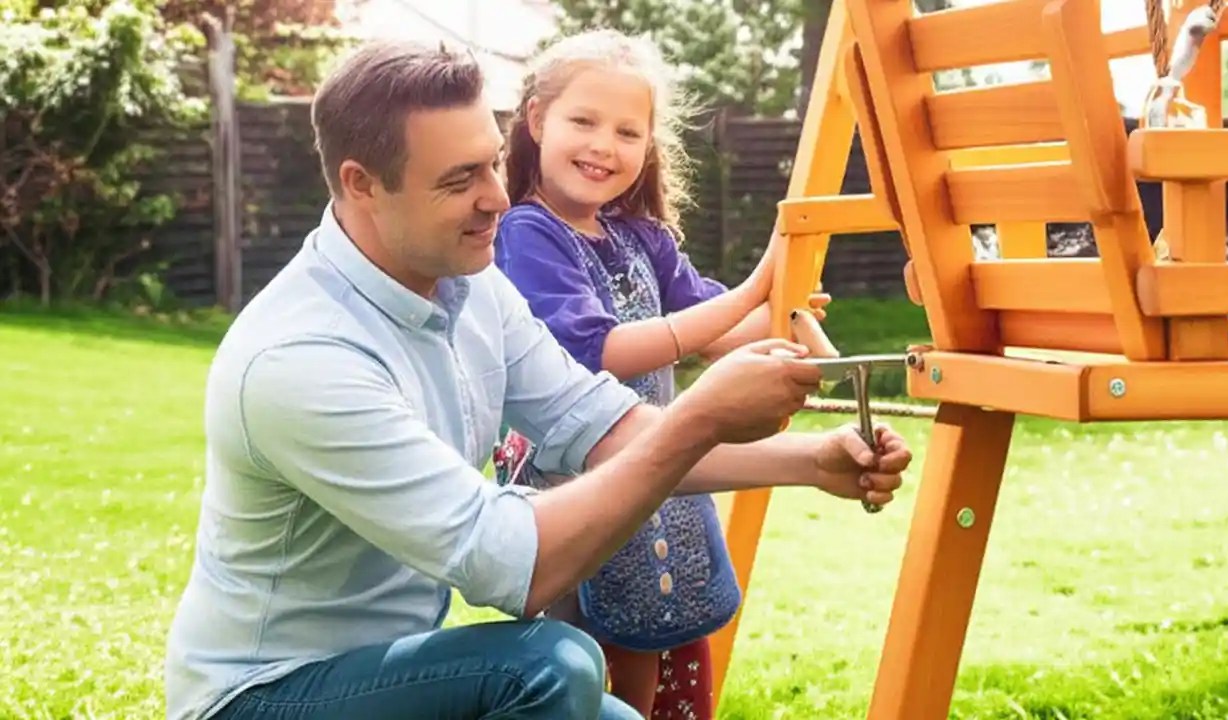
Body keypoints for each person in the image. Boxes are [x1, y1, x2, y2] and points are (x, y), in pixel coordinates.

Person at [163, 38, 912, 720]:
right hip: (262, 699)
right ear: (362, 184)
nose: (496, 196)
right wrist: (702, 416)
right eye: (461, 179)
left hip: (388, 677)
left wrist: (808, 461)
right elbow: (513, 565)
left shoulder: (471, 287)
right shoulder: (302, 359)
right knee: (551, 667)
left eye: (491, 161)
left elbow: (607, 429)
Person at [491, 29, 828, 718]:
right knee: (601, 664)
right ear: (536, 122)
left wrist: (789, 317)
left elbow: (719, 332)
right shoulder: (527, 233)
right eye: (582, 121)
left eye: (627, 131)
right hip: (577, 485)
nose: (603, 146)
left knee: (669, 639)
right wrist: (749, 292)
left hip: (663, 484)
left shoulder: (638, 237)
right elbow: (600, 347)